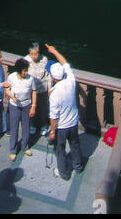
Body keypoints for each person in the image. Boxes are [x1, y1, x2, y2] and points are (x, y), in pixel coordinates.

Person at [46, 42, 85, 180]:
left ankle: (64, 173)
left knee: (60, 149)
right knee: (75, 145)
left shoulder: (54, 94)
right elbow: (65, 63)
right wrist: (54, 51)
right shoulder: (71, 80)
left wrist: (52, 132)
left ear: (53, 77)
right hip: (73, 122)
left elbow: (53, 117)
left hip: (61, 127)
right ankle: (78, 166)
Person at [5, 58, 36, 160]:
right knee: (14, 128)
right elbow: (7, 89)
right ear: (19, 70)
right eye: (24, 71)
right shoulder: (11, 77)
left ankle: (25, 146)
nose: (26, 72)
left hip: (27, 105)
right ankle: (13, 150)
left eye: (27, 70)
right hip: (14, 106)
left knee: (26, 127)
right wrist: (12, 97)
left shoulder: (30, 79)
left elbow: (34, 91)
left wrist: (33, 106)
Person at [26, 40, 52, 137]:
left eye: (36, 54)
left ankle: (43, 126)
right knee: (32, 108)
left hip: (43, 89)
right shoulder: (26, 60)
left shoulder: (45, 60)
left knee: (43, 109)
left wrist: (49, 88)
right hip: (32, 91)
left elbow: (48, 75)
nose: (34, 56)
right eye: (31, 54)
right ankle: (32, 125)